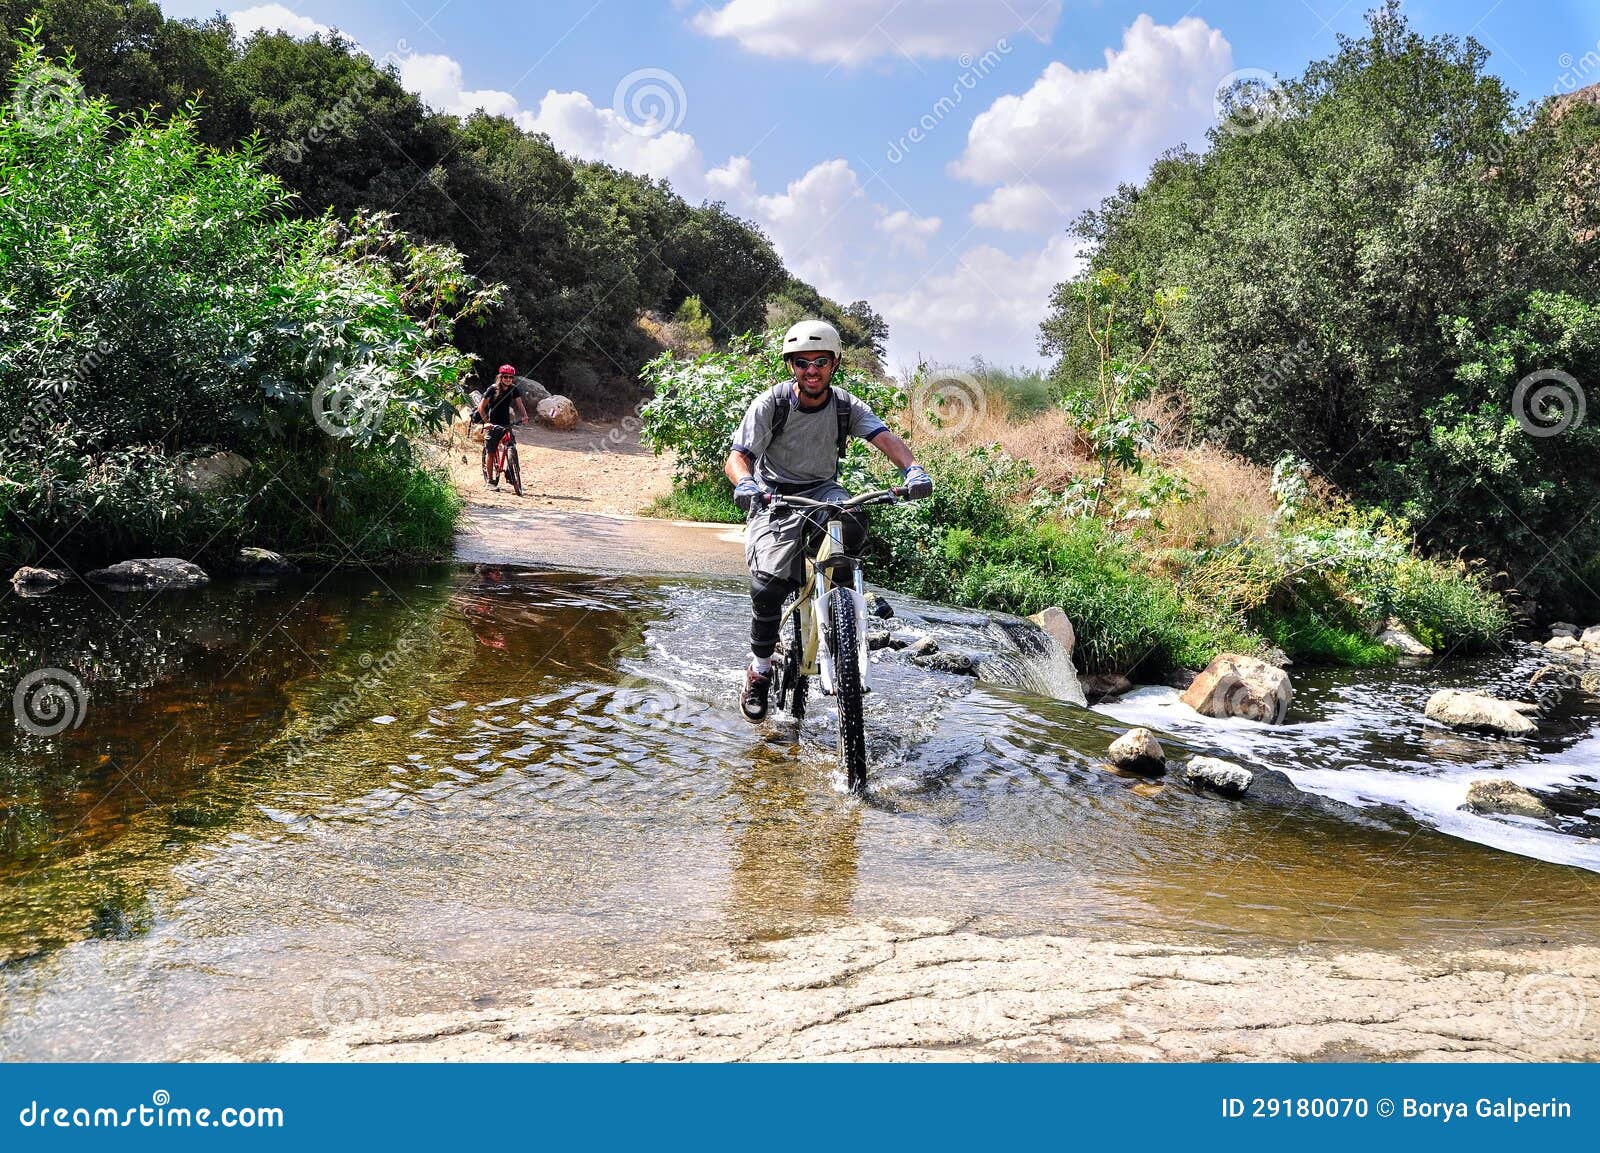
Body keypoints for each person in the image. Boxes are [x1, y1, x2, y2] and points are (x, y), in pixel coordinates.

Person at [725, 320, 932, 722]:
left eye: (820, 361)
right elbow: (739, 457)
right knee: (767, 588)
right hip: (775, 494)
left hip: (823, 490)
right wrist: (746, 483)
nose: (811, 370)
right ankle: (760, 671)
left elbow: (882, 436)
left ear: (834, 363)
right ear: (791, 366)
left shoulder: (844, 406)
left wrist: (913, 470)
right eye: (802, 363)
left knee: (852, 517)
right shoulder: (772, 404)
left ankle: (838, 603)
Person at [477, 364, 529, 488]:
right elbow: (481, 407)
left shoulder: (513, 389)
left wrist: (525, 416)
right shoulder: (492, 389)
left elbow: (520, 404)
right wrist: (486, 422)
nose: (508, 379)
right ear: (500, 377)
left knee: (511, 446)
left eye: (511, 377)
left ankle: (512, 474)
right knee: (491, 452)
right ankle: (490, 481)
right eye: (505, 377)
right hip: (493, 424)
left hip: (506, 423)